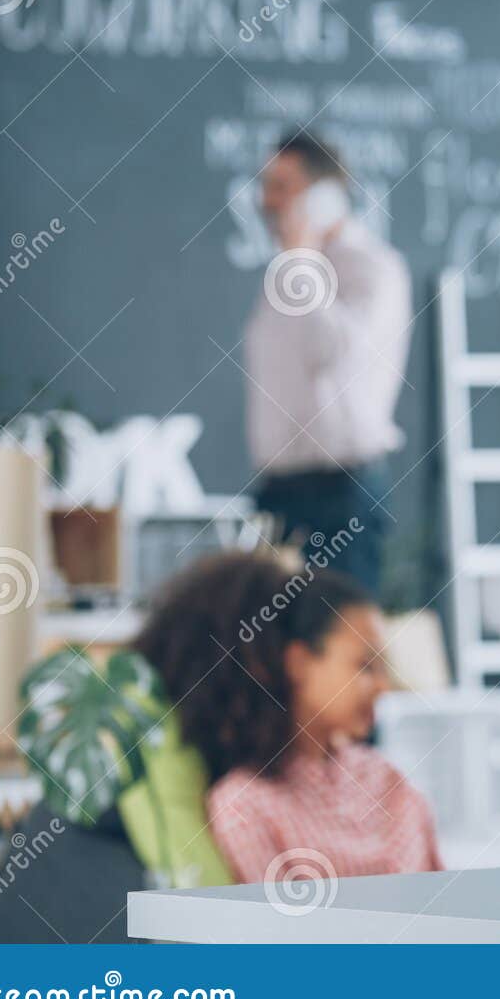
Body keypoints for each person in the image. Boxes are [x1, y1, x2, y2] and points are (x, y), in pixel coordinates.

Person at [134, 551, 442, 883]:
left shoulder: (385, 779)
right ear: (297, 662)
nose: (383, 686)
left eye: (383, 666)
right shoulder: (246, 807)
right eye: (364, 665)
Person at [245, 129, 412, 594]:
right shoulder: (287, 270)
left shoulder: (373, 267)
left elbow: (332, 350)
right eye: (265, 185)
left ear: (325, 197)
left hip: (341, 494)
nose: (267, 201)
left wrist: (300, 257)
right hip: (280, 492)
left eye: (282, 186)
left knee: (340, 648)